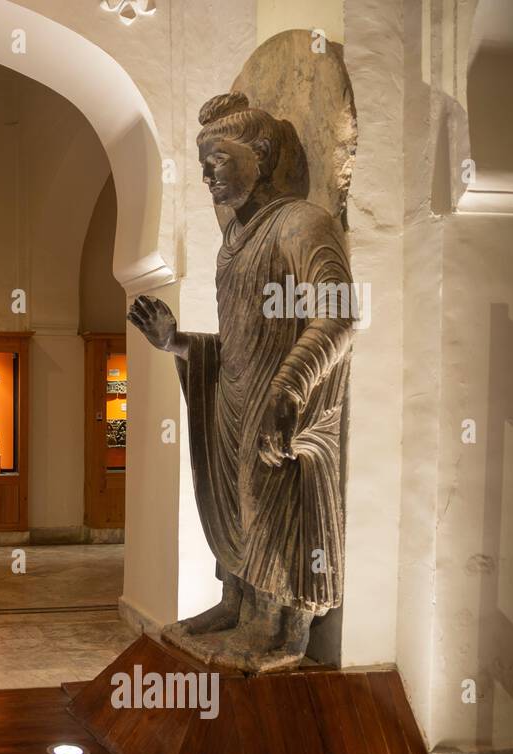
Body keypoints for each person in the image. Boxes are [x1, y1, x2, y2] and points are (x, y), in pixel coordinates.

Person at [127, 91, 355, 671]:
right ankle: (236, 600)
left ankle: (278, 625)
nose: (208, 176)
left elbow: (337, 313)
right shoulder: (234, 244)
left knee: (267, 502)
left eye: (219, 160)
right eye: (203, 166)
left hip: (277, 396)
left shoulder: (302, 223)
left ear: (259, 154)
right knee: (227, 500)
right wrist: (179, 344)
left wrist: (291, 388)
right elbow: (235, 340)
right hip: (232, 393)